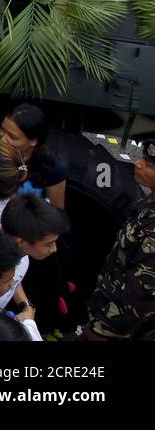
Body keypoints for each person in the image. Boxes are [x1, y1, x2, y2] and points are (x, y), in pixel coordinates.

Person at [83, 138, 155, 340]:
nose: (138, 164)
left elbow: (141, 294)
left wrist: (104, 329)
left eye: (149, 165)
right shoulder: (149, 203)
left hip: (123, 326)